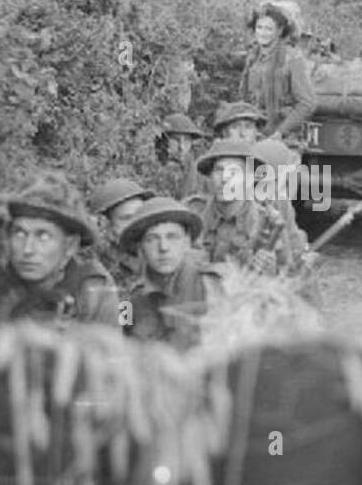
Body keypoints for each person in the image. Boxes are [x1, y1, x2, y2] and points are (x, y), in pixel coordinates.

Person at [0, 170, 120, 326]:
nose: (28, 249)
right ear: (7, 238)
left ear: (70, 246)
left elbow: (110, 354)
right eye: (19, 234)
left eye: (43, 236)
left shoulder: (92, 289)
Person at [119, 196, 223, 349]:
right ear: (140, 247)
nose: (163, 247)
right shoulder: (127, 300)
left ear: (186, 242)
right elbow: (121, 347)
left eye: (172, 237)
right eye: (152, 239)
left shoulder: (213, 285)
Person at [194, 139, 300, 275]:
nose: (225, 178)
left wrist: (270, 273)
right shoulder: (192, 213)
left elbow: (289, 275)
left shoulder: (268, 223)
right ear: (209, 176)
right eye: (219, 170)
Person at [238, 2, 316, 142]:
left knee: (283, 164)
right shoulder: (253, 58)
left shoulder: (292, 59)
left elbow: (306, 104)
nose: (262, 33)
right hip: (255, 133)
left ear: (279, 31)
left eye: (268, 29)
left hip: (286, 137)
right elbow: (245, 97)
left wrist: (281, 132)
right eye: (259, 27)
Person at [87, 177, 152, 293]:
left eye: (141, 215)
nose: (137, 224)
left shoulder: (157, 256)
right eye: (127, 218)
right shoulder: (98, 270)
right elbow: (125, 308)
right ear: (105, 225)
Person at [159, 113, 209, 203]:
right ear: (164, 142)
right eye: (175, 140)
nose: (181, 147)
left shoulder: (199, 173)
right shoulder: (151, 170)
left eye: (186, 140)